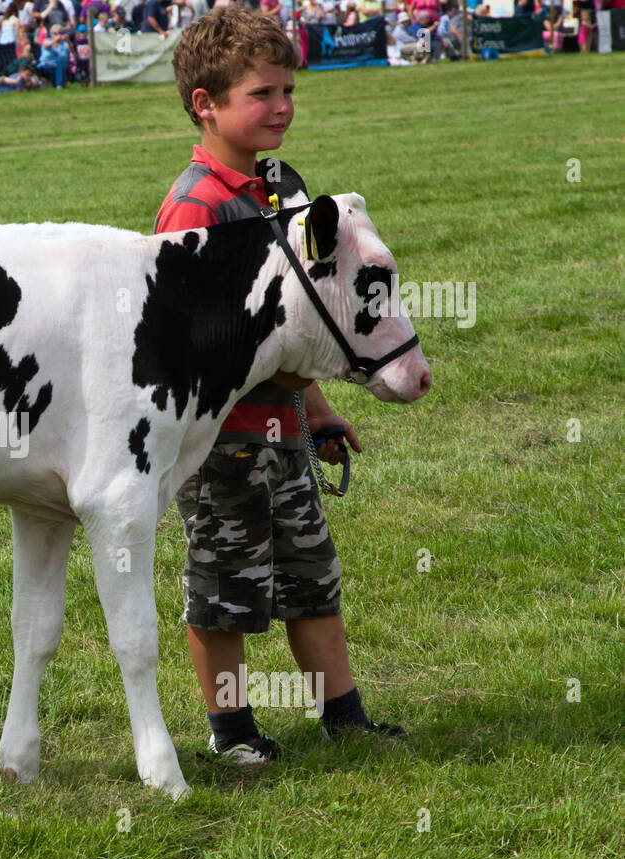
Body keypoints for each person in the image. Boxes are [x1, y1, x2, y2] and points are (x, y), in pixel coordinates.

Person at [156, 6, 405, 765]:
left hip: (284, 430)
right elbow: (188, 343)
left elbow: (301, 316)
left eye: (289, 90)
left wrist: (317, 406)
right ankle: (232, 733)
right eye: (262, 94)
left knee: (311, 576)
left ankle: (344, 716)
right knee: (226, 591)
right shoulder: (195, 208)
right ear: (207, 103)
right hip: (220, 443)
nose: (283, 107)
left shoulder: (281, 186)